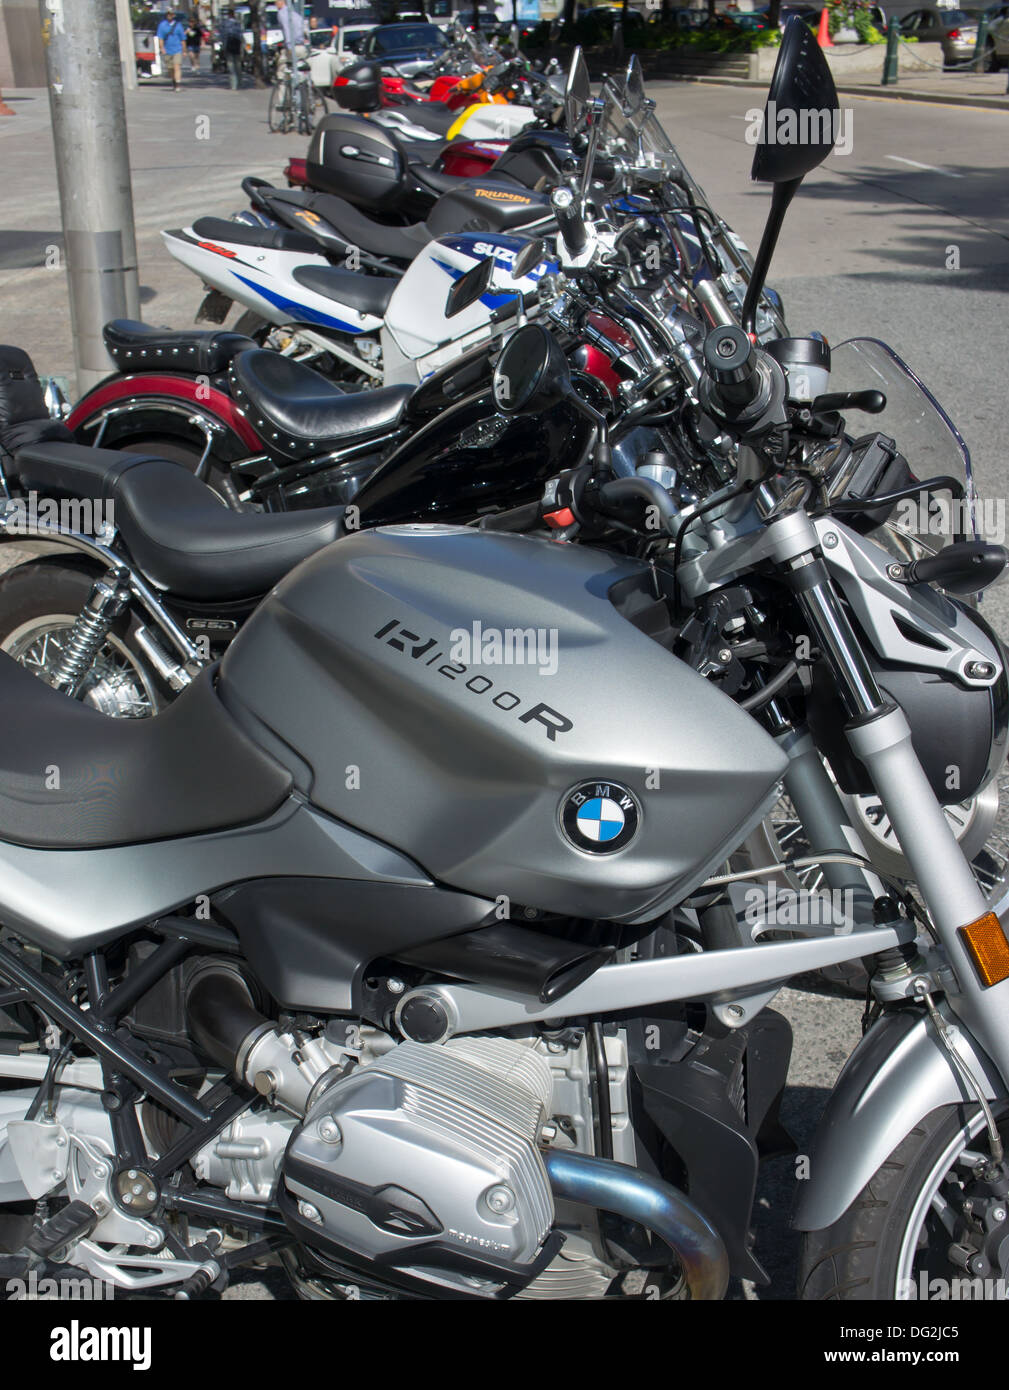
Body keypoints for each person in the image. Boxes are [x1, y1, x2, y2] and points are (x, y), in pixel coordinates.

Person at [156, 9, 187, 91]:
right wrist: (162, 48)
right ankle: (174, 81)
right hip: (167, 49)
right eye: (168, 14)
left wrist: (184, 50)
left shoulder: (178, 25)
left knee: (177, 66)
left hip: (177, 49)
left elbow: (183, 39)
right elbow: (160, 38)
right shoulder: (162, 25)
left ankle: (178, 84)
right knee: (170, 68)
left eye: (171, 14)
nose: (169, 16)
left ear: (173, 16)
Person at [219, 5, 244, 89]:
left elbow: (222, 35)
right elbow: (241, 35)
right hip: (237, 45)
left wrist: (223, 45)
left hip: (228, 45)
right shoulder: (238, 24)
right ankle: (240, 82)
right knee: (238, 64)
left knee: (231, 65)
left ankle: (233, 84)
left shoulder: (224, 24)